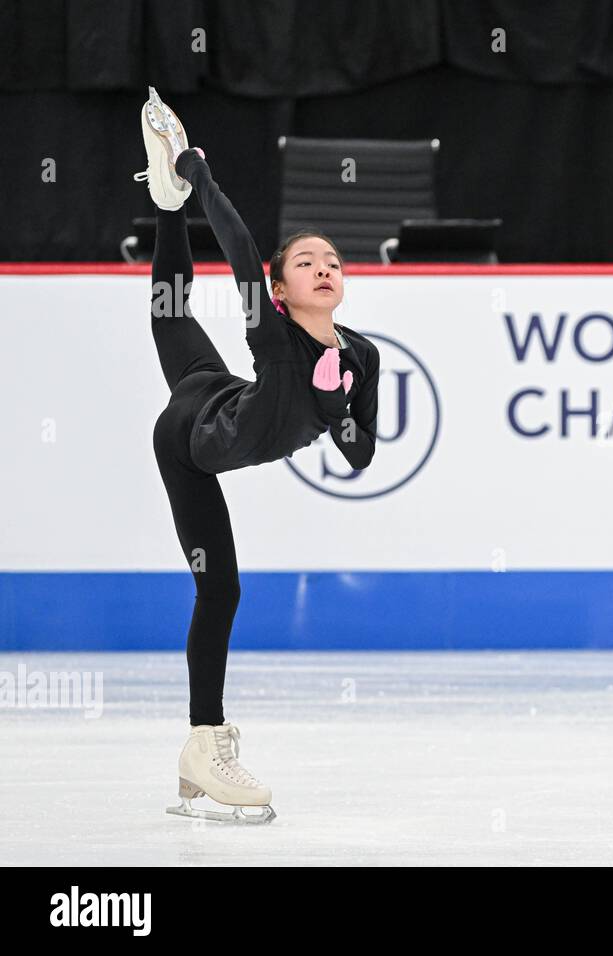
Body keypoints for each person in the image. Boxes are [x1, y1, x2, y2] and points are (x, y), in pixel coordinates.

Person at [136, 87, 380, 823]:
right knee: (223, 591)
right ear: (281, 288)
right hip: (190, 443)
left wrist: (337, 407)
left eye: (334, 260)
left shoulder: (361, 355)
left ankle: (166, 204)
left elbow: (360, 456)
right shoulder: (272, 333)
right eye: (307, 262)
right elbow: (242, 254)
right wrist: (201, 175)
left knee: (172, 326)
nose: (325, 267)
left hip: (215, 394)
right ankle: (205, 743)